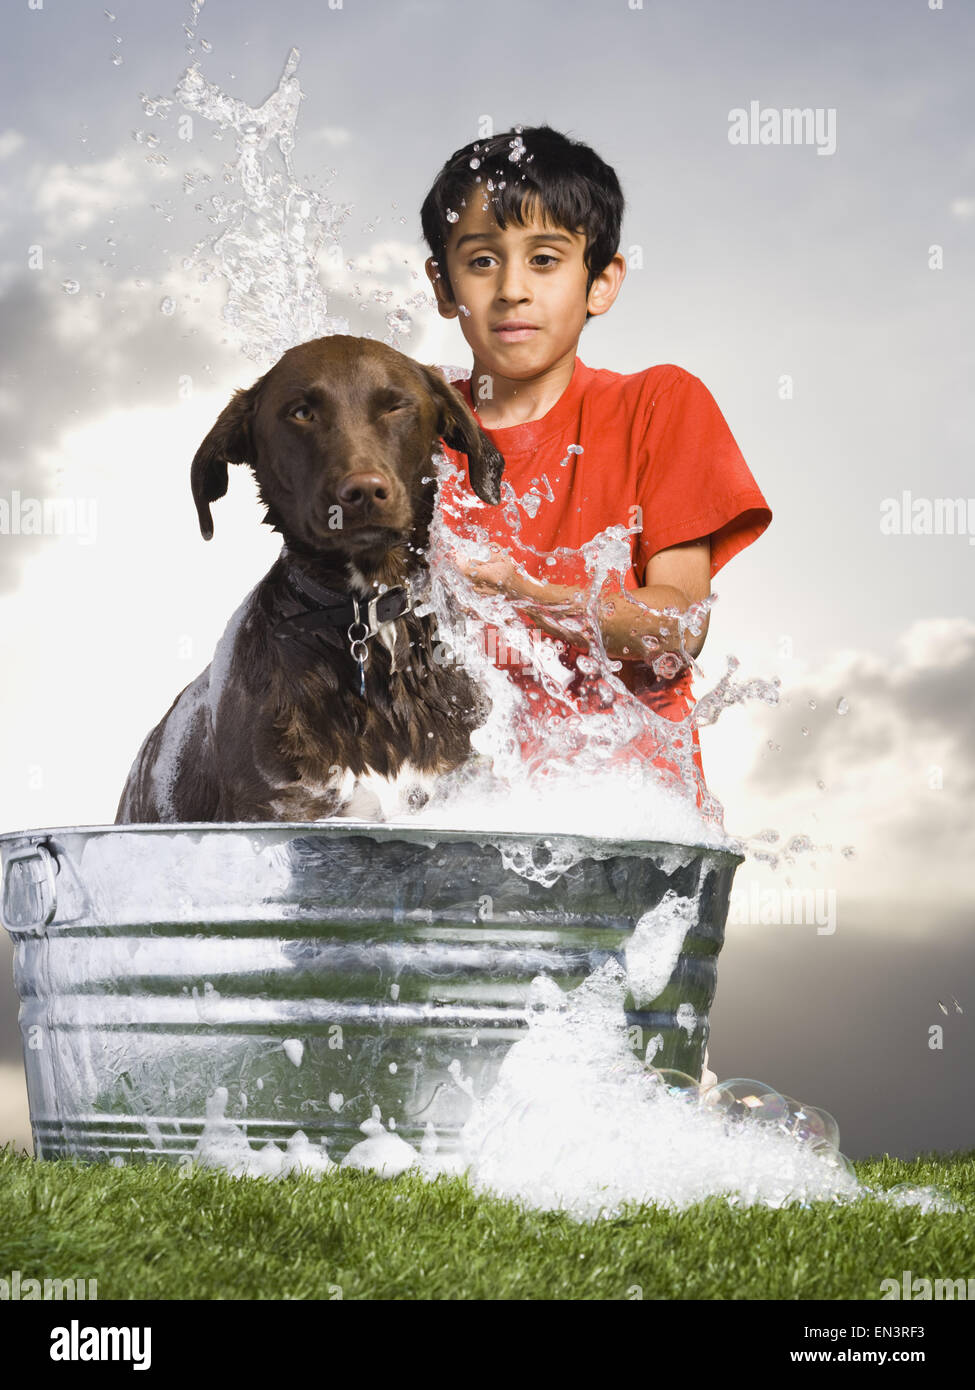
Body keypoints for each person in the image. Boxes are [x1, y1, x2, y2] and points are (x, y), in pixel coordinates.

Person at [419, 125, 772, 806]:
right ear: (443, 282)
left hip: (628, 815)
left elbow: (678, 625)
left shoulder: (658, 404)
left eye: (545, 259)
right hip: (459, 815)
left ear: (601, 281)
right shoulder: (407, 423)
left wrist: (531, 597)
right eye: (482, 261)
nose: (513, 289)